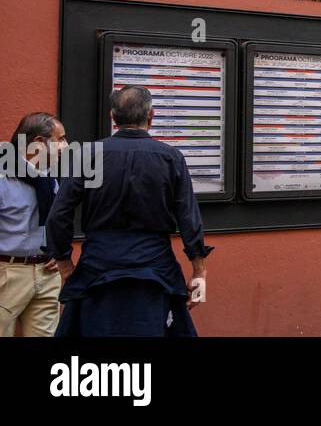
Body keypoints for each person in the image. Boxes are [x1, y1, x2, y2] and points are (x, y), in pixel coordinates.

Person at [46, 86, 211, 336]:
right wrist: (199, 273)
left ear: (113, 117)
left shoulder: (88, 155)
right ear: (151, 116)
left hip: (98, 268)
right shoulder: (171, 158)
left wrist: (65, 265)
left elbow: (59, 214)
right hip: (155, 270)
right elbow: (189, 218)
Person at [0, 113, 66, 336]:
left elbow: (56, 221)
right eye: (61, 139)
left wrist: (57, 252)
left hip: (47, 274)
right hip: (8, 273)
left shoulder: (49, 176)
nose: (66, 146)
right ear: (39, 143)